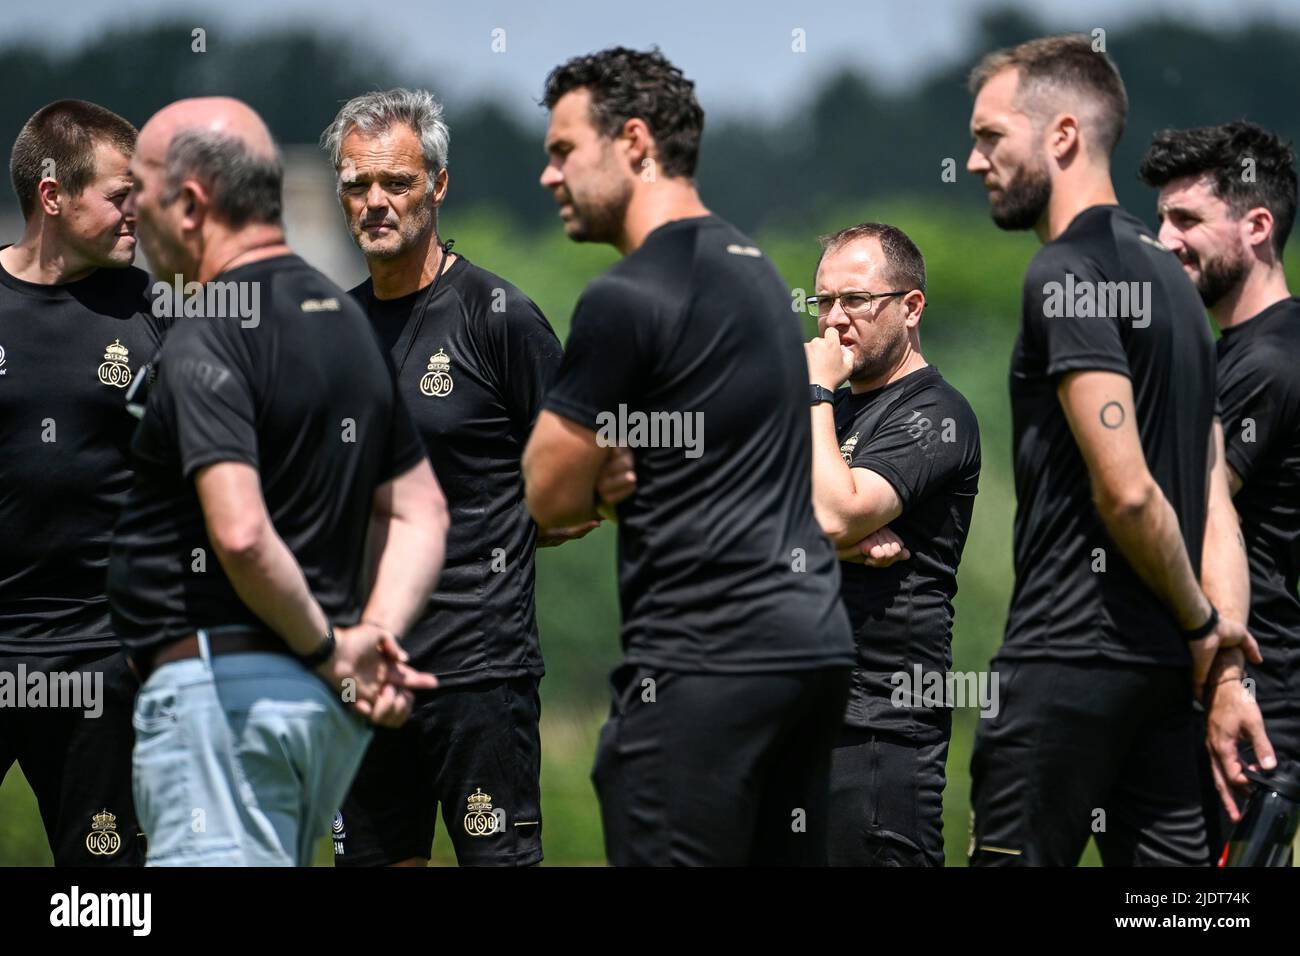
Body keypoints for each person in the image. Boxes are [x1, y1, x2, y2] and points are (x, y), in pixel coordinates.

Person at [523, 47, 854, 866]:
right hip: (812, 647)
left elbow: (544, 493)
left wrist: (596, 479)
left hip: (705, 660)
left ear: (633, 142)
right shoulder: (759, 276)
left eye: (564, 150)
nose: (547, 175)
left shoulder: (627, 296)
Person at [108, 96, 447, 866]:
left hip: (222, 704)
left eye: (142, 192)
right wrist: (373, 640)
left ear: (190, 204)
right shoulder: (345, 321)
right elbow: (421, 510)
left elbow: (239, 531)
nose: (134, 215)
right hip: (314, 714)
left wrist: (334, 649)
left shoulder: (207, 330)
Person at [964, 34, 1255, 866]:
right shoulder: (1174, 282)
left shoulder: (1063, 272)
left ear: (1061, 135)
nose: (975, 160)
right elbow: (1212, 499)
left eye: (990, 137)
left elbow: (1126, 492)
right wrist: (1217, 653)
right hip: (1167, 679)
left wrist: (1205, 625)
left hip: (1064, 659)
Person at [320, 88, 588, 867]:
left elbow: (580, 483)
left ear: (437, 185)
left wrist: (502, 528)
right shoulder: (328, 330)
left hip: (478, 670)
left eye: (396, 183)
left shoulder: (498, 316)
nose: (376, 202)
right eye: (357, 185)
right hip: (365, 672)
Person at [0, 99, 166, 866]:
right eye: (120, 194)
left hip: (100, 656)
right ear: (52, 195)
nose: (141, 211)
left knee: (104, 892)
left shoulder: (157, 312)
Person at [1140, 121, 1299, 846]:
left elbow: (1176, 509)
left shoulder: (1269, 362)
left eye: (1186, 220)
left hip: (1251, 709)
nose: (1166, 241)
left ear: (1257, 225)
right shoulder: (1235, 352)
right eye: (1161, 219)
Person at [803, 222, 981, 866]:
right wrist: (836, 536)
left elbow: (828, 513)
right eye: (822, 302)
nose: (833, 322)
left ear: (911, 308)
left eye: (855, 300)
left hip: (879, 730)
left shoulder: (937, 413)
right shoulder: (835, 416)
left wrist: (816, 390)